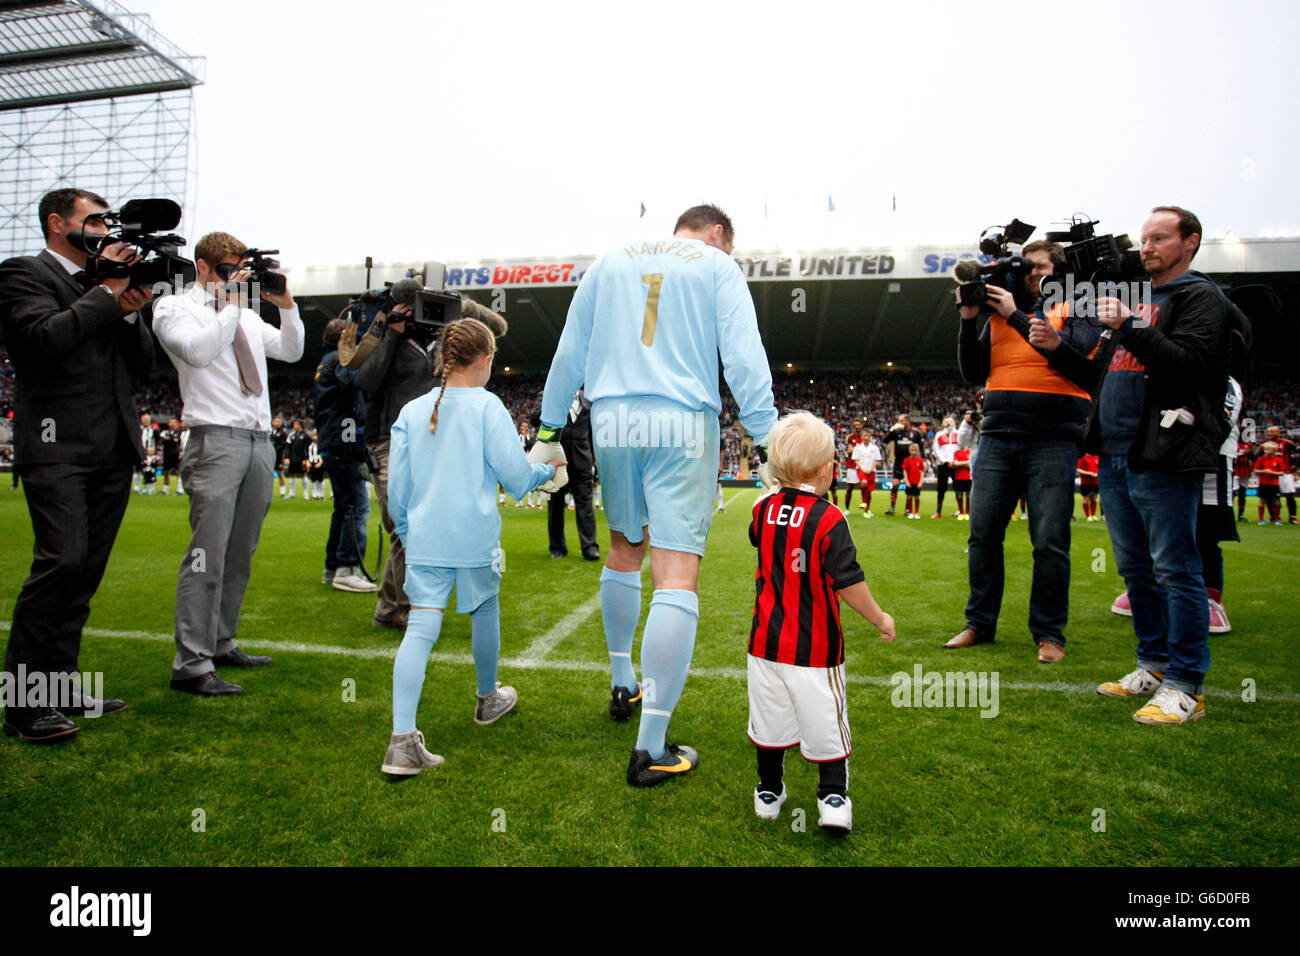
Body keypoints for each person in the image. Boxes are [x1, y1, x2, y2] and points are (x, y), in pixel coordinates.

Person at [535, 203, 778, 786]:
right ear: (718, 233)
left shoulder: (609, 261)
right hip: (682, 420)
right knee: (675, 573)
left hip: (612, 418)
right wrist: (768, 438)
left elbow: (568, 351)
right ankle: (650, 747)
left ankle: (623, 682)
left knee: (624, 549)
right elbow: (744, 358)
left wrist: (547, 431)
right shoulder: (718, 268)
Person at [1037, 206, 1232, 724]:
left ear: (1190, 242)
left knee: (1176, 568)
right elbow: (1098, 375)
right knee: (1137, 570)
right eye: (1144, 239)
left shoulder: (1199, 297)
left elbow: (1190, 364)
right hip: (1117, 452)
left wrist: (1130, 324)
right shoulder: (1135, 299)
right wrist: (1058, 349)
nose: (1146, 247)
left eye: (1160, 238)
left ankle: (1186, 684)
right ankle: (1152, 663)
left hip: (1164, 450)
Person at [0, 187, 153, 741]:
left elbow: (144, 367)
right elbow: (43, 340)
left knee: (84, 572)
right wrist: (105, 292)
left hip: (112, 444)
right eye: (93, 220)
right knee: (61, 562)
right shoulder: (22, 272)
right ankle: (21, 704)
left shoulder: (104, 288)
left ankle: (60, 686)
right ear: (56, 222)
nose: (104, 230)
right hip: (56, 445)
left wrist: (129, 313)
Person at [380, 318, 558, 776]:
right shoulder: (487, 406)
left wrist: (408, 530)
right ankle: (486, 698)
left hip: (425, 537)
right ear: (483, 360)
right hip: (473, 536)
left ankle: (402, 739)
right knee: (484, 611)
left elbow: (397, 491)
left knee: (420, 628)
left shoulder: (412, 412)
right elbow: (517, 479)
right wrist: (548, 472)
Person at [151, 230, 303, 696]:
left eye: (240, 270)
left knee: (239, 555)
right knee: (206, 556)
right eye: (225, 269)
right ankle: (191, 664)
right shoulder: (173, 307)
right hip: (214, 438)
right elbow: (198, 352)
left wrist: (287, 304)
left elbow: (293, 351)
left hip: (259, 441)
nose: (234, 278)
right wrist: (234, 303)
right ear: (202, 266)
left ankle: (221, 640)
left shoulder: (249, 316)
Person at [945, 239, 1099, 664]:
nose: (1033, 274)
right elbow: (973, 371)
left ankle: (1049, 633)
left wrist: (1013, 313)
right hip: (998, 434)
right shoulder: (1000, 311)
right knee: (983, 534)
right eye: (1027, 267)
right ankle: (979, 623)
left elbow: (1074, 361)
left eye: (1041, 267)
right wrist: (969, 319)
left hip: (1053, 435)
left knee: (1049, 539)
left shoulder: (1077, 304)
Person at [746, 412, 894, 831]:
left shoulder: (763, 510)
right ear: (827, 469)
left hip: (765, 643)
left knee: (770, 720)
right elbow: (848, 582)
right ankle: (832, 798)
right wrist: (879, 617)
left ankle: (769, 791)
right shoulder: (829, 518)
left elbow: (759, 536)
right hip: (814, 647)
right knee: (825, 721)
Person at [315, 317, 376, 592]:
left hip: (333, 439)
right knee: (356, 505)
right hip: (344, 440)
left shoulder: (325, 360)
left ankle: (332, 566)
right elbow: (354, 381)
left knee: (343, 506)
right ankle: (347, 567)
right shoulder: (338, 360)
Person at [546, 389, 599, 560]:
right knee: (556, 505)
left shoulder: (588, 399)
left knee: (586, 504)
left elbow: (593, 432)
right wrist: (553, 399)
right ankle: (557, 547)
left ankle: (590, 547)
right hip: (557, 461)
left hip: (583, 461)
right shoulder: (550, 394)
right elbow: (534, 418)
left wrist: (595, 457)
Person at [882, 413, 924, 516]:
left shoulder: (915, 433)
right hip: (899, 461)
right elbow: (885, 440)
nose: (899, 423)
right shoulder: (896, 432)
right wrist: (892, 430)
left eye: (901, 421)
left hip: (911, 462)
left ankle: (908, 509)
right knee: (895, 483)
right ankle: (892, 508)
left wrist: (922, 460)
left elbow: (921, 448)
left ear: (907, 421)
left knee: (909, 485)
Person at [1265, 426, 1297, 523]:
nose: (1270, 434)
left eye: (1272, 432)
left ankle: (1293, 517)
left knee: (1290, 495)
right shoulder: (1265, 446)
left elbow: (1295, 457)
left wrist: (1293, 468)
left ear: (1278, 433)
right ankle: (1273, 517)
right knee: (1271, 497)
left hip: (1285, 474)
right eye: (1269, 432)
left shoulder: (1288, 444)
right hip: (1270, 475)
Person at [931, 415, 960, 517]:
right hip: (943, 465)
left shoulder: (959, 434)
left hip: (956, 465)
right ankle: (938, 511)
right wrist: (945, 461)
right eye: (946, 422)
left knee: (958, 488)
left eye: (950, 422)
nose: (948, 424)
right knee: (941, 488)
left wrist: (956, 461)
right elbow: (936, 450)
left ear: (954, 423)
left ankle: (961, 511)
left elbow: (963, 449)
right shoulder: (939, 435)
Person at [1254, 441, 1284, 525]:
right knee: (1262, 501)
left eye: (1268, 449)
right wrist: (1264, 471)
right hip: (1263, 483)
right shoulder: (1261, 459)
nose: (1266, 451)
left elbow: (1282, 472)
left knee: (1276, 501)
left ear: (1274, 450)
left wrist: (1272, 472)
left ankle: (1277, 519)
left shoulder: (1278, 460)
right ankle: (1261, 519)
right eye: (1265, 449)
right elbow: (1256, 470)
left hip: (1274, 484)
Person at [158, 417, 183, 495]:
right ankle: (165, 489)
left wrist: (169, 439)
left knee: (178, 471)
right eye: (170, 422)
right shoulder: (164, 432)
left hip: (176, 454)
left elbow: (178, 440)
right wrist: (170, 439)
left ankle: (180, 489)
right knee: (166, 472)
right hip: (167, 454)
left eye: (174, 422)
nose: (172, 424)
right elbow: (161, 441)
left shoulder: (179, 432)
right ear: (168, 424)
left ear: (176, 423)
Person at [902, 442, 927, 518]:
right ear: (909, 451)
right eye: (912, 450)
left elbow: (923, 471)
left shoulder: (920, 460)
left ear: (918, 451)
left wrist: (920, 481)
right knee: (909, 497)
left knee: (917, 497)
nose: (914, 452)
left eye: (915, 450)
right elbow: (905, 470)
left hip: (917, 482)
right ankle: (910, 512)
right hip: (910, 482)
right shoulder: (907, 460)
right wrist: (907, 481)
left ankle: (916, 513)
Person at [134, 412, 156, 494]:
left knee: (150, 470)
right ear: (141, 420)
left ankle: (150, 488)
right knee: (138, 469)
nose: (146, 421)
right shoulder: (138, 430)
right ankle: (136, 487)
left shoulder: (153, 430)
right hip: (140, 451)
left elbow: (156, 441)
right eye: (144, 419)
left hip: (150, 452)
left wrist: (153, 450)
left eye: (147, 419)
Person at [1077, 452, 1100, 521]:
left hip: (1095, 481)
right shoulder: (1083, 457)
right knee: (1086, 498)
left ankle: (1093, 515)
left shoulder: (1097, 457)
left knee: (1094, 497)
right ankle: (1088, 516)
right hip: (1086, 482)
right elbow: (1078, 469)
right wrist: (1088, 473)